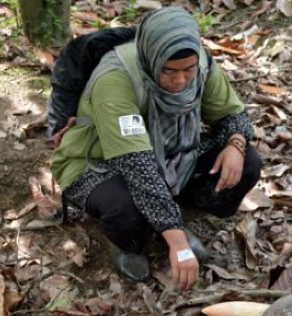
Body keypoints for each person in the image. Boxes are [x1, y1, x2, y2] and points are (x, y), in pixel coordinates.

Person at [50, 6, 262, 290]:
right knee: (125, 211)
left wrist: (236, 143)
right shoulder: (115, 80)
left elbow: (232, 114)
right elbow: (138, 166)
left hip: (172, 151)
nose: (180, 81)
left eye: (188, 70)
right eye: (169, 70)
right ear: (151, 58)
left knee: (248, 163)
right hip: (100, 160)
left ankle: (172, 213)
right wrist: (179, 243)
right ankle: (130, 243)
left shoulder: (201, 63)